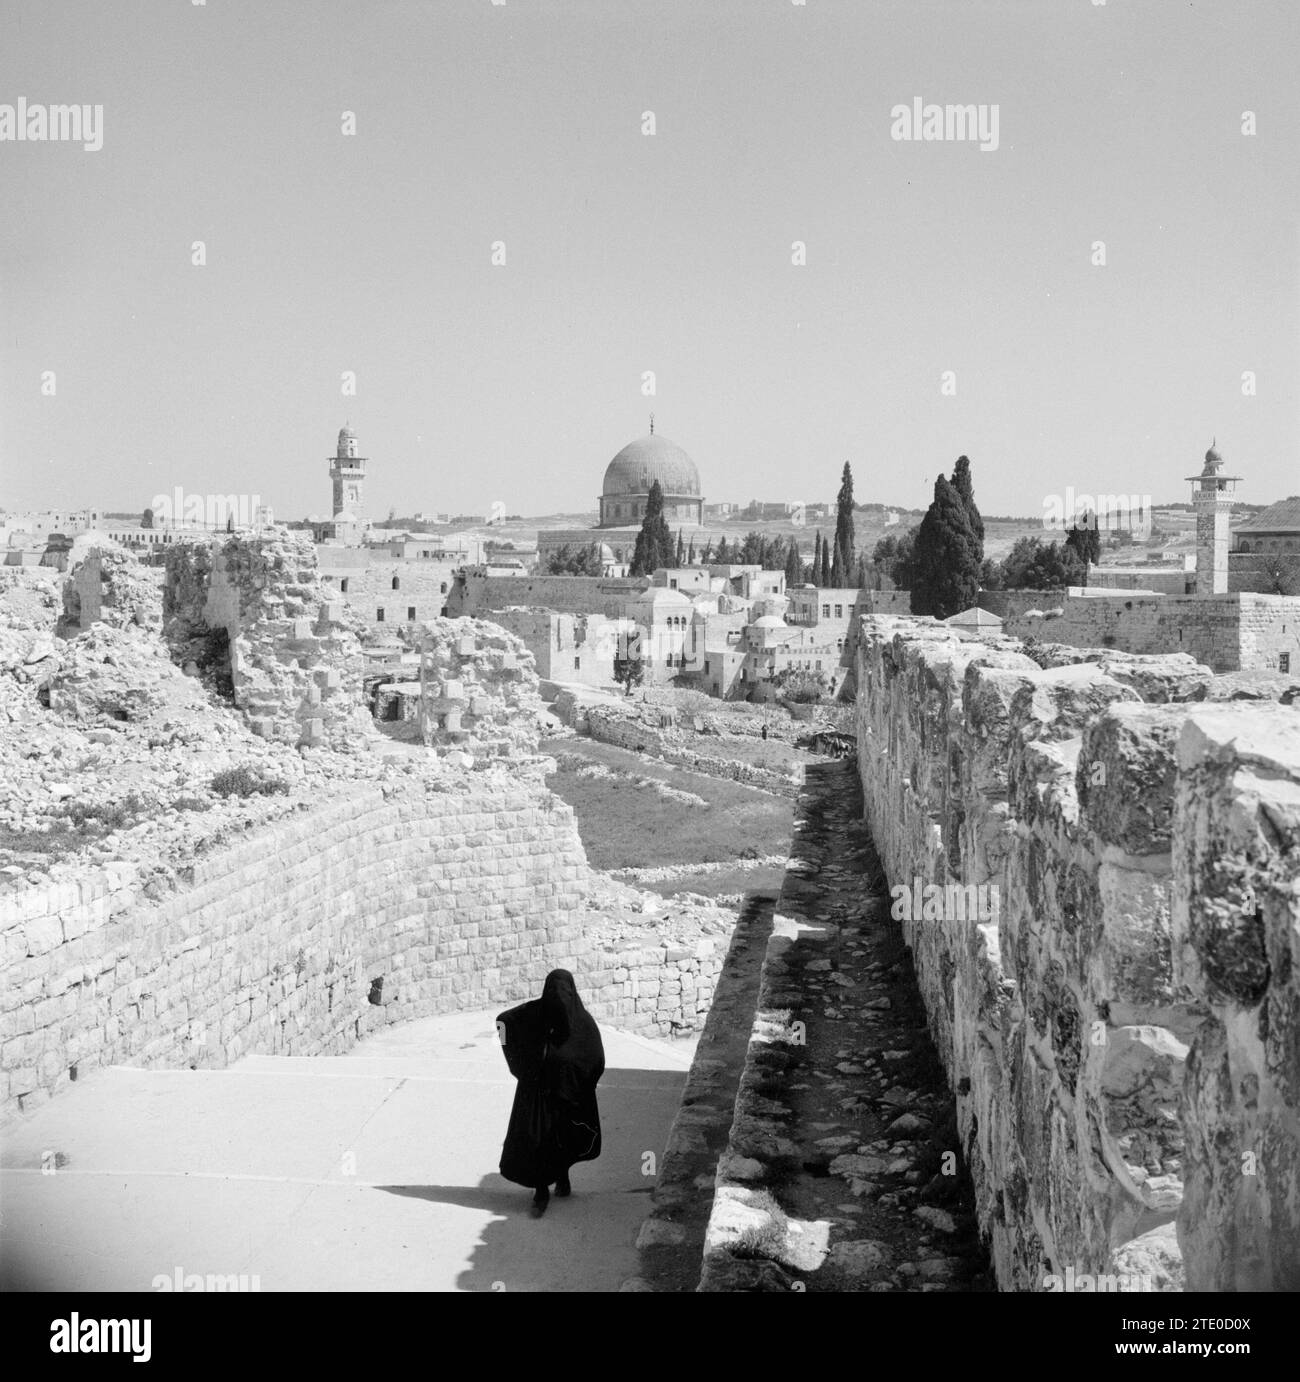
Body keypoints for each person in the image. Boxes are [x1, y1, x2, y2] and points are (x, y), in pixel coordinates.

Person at [496, 969, 605, 1217]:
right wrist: (516, 1064)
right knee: (538, 1143)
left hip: (568, 1097)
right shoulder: (534, 1013)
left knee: (564, 1139)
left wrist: (582, 1086)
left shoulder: (583, 1023)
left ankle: (563, 1178)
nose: (559, 999)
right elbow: (501, 1022)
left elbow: (596, 1061)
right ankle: (541, 1191)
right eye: (554, 993)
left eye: (564, 993)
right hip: (538, 1096)